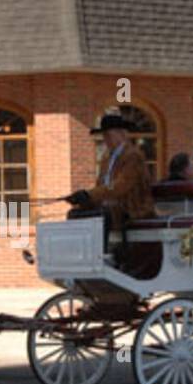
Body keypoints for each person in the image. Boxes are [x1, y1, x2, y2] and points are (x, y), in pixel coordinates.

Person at [65, 111, 156, 277]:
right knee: (77, 213)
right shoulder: (107, 158)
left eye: (108, 135)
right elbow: (102, 186)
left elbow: (121, 187)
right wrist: (85, 199)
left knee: (102, 214)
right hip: (113, 207)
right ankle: (82, 256)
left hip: (133, 208)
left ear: (122, 134)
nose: (105, 140)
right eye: (104, 136)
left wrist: (89, 194)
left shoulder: (133, 155)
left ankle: (103, 256)